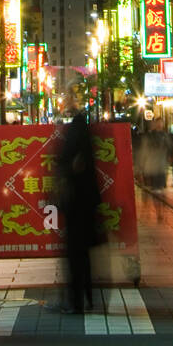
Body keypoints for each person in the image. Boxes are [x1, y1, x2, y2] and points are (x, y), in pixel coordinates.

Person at [55, 90, 100, 314]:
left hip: (77, 199)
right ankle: (86, 297)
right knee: (82, 253)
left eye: (70, 99)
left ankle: (75, 301)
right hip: (86, 199)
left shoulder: (76, 128)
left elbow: (68, 161)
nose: (66, 102)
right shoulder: (83, 126)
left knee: (75, 251)